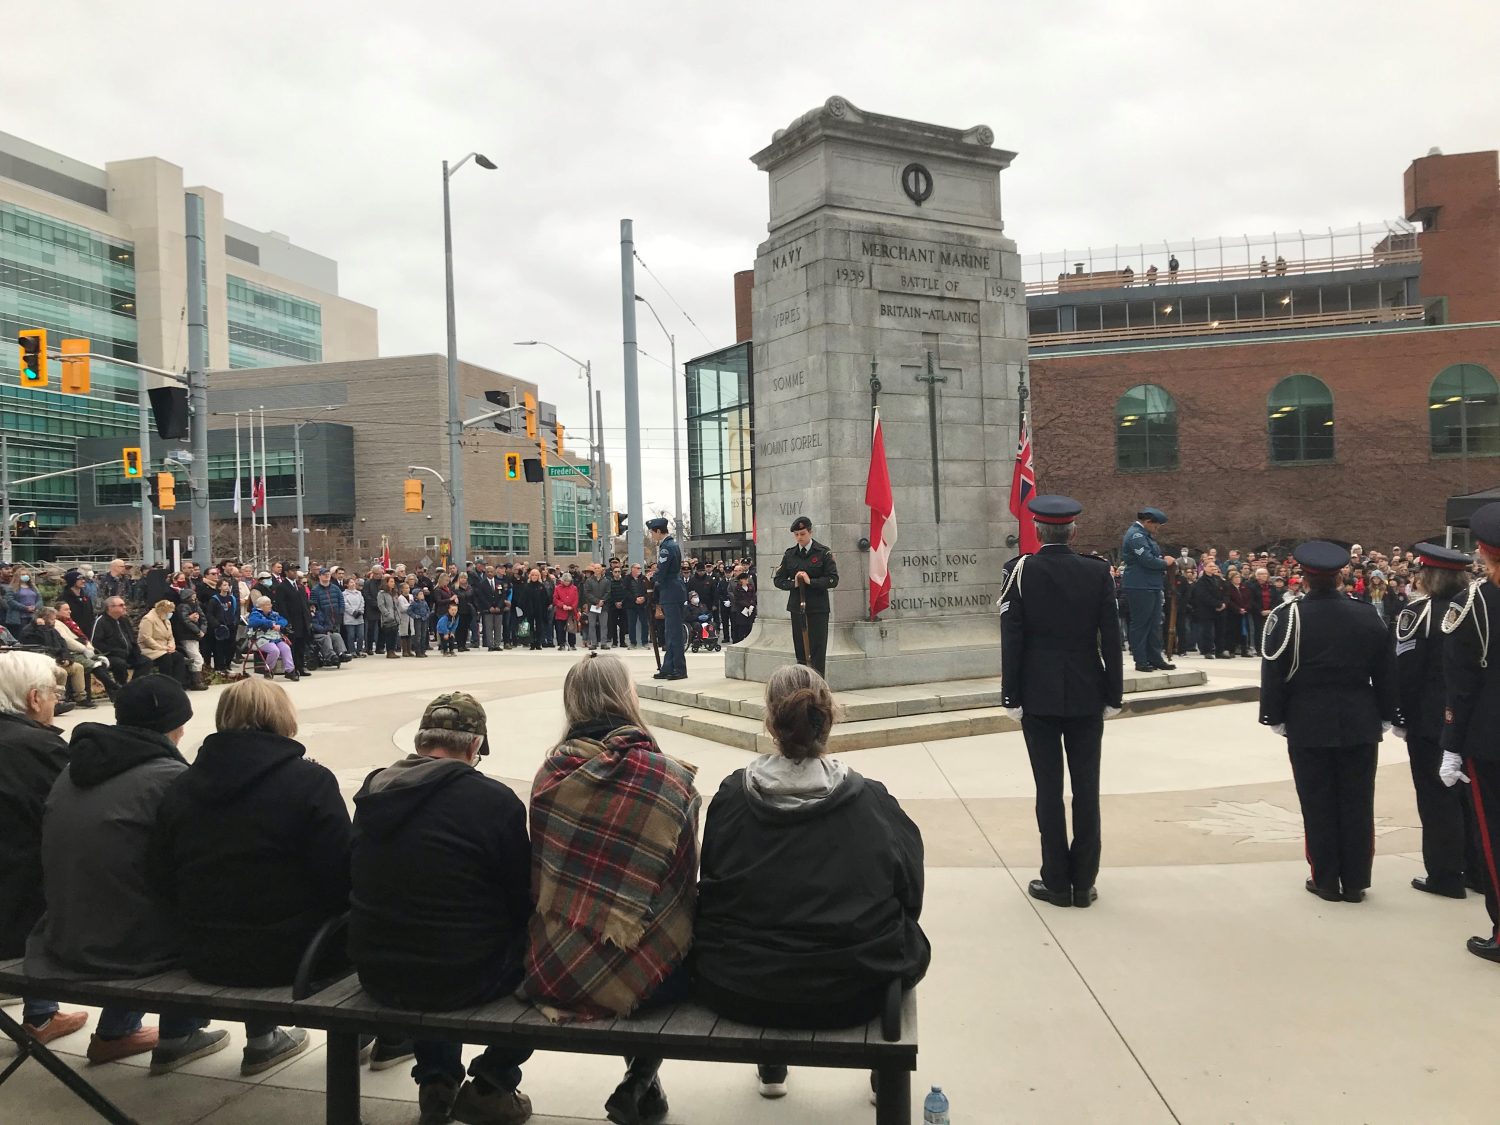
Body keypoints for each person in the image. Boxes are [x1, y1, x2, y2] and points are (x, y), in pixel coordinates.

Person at [695, 664, 929, 1101]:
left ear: (770, 721)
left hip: (738, 985)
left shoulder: (730, 796)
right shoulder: (872, 802)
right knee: (905, 934)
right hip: (850, 989)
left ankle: (771, 1065)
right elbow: (910, 893)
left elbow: (713, 883)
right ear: (829, 718)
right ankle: (883, 1072)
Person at [518, 654, 699, 1125]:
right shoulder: (667, 776)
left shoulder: (549, 776)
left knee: (612, 940)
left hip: (557, 967)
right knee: (663, 941)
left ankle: (642, 1081)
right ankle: (640, 1077)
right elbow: (684, 888)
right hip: (655, 980)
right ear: (626, 698)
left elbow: (541, 879)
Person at [25, 677, 232, 1072]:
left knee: (126, 893)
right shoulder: (167, 778)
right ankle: (180, 1034)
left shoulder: (73, 769)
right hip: (124, 947)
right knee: (204, 898)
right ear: (172, 726)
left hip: (61, 935)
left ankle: (117, 1033)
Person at [350, 692, 534, 1124]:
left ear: (420, 742)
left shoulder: (374, 790)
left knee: (424, 931)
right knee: (548, 952)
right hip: (465, 975)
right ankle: (493, 1080)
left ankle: (436, 1079)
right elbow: (520, 896)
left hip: (377, 969)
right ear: (474, 747)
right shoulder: (493, 800)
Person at [146, 678, 346, 1074]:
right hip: (294, 958)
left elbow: (160, 873)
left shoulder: (183, 784)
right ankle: (369, 1040)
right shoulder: (309, 782)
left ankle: (208, 1037)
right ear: (282, 717)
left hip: (202, 951)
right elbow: (341, 877)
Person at [1001, 496, 1123, 909]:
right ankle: (1084, 883)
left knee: (1048, 791)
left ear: (1038, 531)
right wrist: (1114, 693)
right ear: (1073, 532)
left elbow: (1012, 638)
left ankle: (1056, 881)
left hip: (1038, 695)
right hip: (1089, 692)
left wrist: (1010, 694)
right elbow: (1111, 637)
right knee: (1088, 790)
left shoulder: (1021, 572)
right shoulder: (1096, 572)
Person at [1260, 541, 1396, 904]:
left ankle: (1325, 878)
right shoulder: (1367, 614)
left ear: (1303, 577)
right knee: (1357, 800)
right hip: (1359, 715)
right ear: (1340, 577)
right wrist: (1385, 713)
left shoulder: (1288, 617)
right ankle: (1355, 881)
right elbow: (1386, 671)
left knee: (1318, 801)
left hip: (1308, 717)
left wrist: (1273, 715)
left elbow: (1274, 669)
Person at [0, 651, 90, 1046]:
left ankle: (41, 1010)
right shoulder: (34, 747)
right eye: (54, 693)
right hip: (20, 889)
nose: (56, 701)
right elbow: (70, 813)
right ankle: (42, 1013)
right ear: (34, 699)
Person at [1393, 543, 1480, 900]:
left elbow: (1405, 672)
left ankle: (1445, 875)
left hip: (1430, 722)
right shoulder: (1478, 610)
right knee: (1472, 799)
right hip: (1472, 719)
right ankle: (1478, 871)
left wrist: (1401, 715)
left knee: (1436, 798)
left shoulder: (1419, 613)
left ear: (1426, 575)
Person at [1440, 504, 1500, 962]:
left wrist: (1451, 747)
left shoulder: (1473, 604)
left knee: (1495, 836)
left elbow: (1462, 685)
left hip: (1490, 737)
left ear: (1481, 550)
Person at [772, 516, 840, 678]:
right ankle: (802, 685)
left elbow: (833, 579)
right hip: (797, 608)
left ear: (810, 532)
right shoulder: (790, 554)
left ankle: (818, 685)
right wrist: (794, 584)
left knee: (817, 649)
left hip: (817, 608)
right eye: (796, 534)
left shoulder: (823, 552)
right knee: (801, 649)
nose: (799, 537)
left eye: (802, 533)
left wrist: (811, 581)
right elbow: (778, 580)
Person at [1119, 507, 1176, 672]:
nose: (1157, 529)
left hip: (1151, 584)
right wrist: (1166, 563)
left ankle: (1155, 658)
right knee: (1141, 624)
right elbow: (1147, 560)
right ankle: (1141, 660)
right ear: (1147, 522)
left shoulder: (1145, 536)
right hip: (1140, 584)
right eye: (1156, 526)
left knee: (1154, 624)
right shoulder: (1136, 536)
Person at [23, 606, 94, 709]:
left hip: (58, 660)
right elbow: (44, 647)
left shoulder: (53, 630)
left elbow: (63, 645)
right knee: (62, 673)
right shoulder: (30, 631)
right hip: (44, 662)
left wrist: (66, 658)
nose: (54, 621)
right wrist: (42, 628)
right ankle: (58, 700)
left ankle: (81, 698)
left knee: (78, 667)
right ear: (43, 618)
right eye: (52, 619)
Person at [647, 518, 687, 680]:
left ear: (658, 531)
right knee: (669, 632)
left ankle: (679, 668)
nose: (651, 536)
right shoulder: (671, 545)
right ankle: (668, 666)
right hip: (672, 592)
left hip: (670, 593)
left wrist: (651, 577)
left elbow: (662, 572)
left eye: (652, 532)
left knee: (674, 633)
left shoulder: (666, 548)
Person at [91, 595, 152, 686]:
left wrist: (136, 650)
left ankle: (134, 686)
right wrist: (115, 652)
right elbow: (96, 643)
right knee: (120, 664)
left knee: (146, 661)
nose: (124, 607)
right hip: (110, 655)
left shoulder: (124, 620)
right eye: (121, 605)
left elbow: (131, 638)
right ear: (110, 608)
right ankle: (122, 687)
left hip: (127, 654)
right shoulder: (101, 621)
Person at [138, 598, 190, 687]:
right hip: (150, 649)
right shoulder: (148, 619)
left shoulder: (166, 619)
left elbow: (170, 637)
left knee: (178, 657)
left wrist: (171, 646)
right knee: (166, 658)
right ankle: (166, 685)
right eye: (169, 612)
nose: (171, 614)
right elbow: (146, 638)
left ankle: (178, 684)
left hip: (165, 648)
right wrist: (162, 648)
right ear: (163, 610)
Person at [247, 596, 298, 680]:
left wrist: (279, 625)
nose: (270, 606)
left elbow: (284, 620)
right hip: (259, 639)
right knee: (274, 650)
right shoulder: (254, 614)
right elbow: (253, 622)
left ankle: (290, 671)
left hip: (275, 638)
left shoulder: (273, 614)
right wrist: (270, 624)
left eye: (270, 603)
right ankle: (268, 670)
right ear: (261, 606)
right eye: (268, 604)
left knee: (286, 648)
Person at [205, 579, 241, 674]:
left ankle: (227, 664)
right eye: (224, 585)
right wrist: (217, 624)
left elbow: (236, 611)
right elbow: (209, 614)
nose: (227, 587)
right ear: (219, 587)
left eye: (228, 585)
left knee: (231, 646)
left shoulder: (232, 598)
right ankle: (219, 667)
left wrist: (235, 621)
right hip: (220, 627)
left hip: (231, 625)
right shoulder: (214, 599)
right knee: (220, 648)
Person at [552, 571, 580, 651]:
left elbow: (576, 599)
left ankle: (572, 644)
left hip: (571, 612)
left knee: (571, 629)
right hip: (561, 611)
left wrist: (572, 607)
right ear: (562, 581)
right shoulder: (557, 588)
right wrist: (562, 605)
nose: (567, 583)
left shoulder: (574, 588)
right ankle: (562, 644)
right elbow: (555, 599)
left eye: (568, 581)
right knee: (560, 629)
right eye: (565, 581)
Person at [377, 575, 402, 660]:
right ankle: (389, 651)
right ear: (386, 583)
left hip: (395, 617)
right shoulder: (382, 593)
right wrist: (387, 614)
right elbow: (381, 605)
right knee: (389, 635)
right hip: (387, 618)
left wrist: (398, 615)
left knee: (394, 635)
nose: (393, 583)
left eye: (393, 582)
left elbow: (397, 604)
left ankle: (393, 650)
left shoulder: (394, 593)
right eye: (391, 582)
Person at [342, 577, 366, 657]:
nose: (353, 584)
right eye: (351, 582)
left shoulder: (359, 593)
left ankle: (359, 650)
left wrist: (360, 611)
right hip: (349, 617)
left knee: (361, 635)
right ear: (347, 584)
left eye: (354, 582)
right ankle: (352, 651)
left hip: (359, 617)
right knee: (351, 635)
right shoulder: (344, 594)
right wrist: (353, 612)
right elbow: (345, 605)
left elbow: (362, 602)